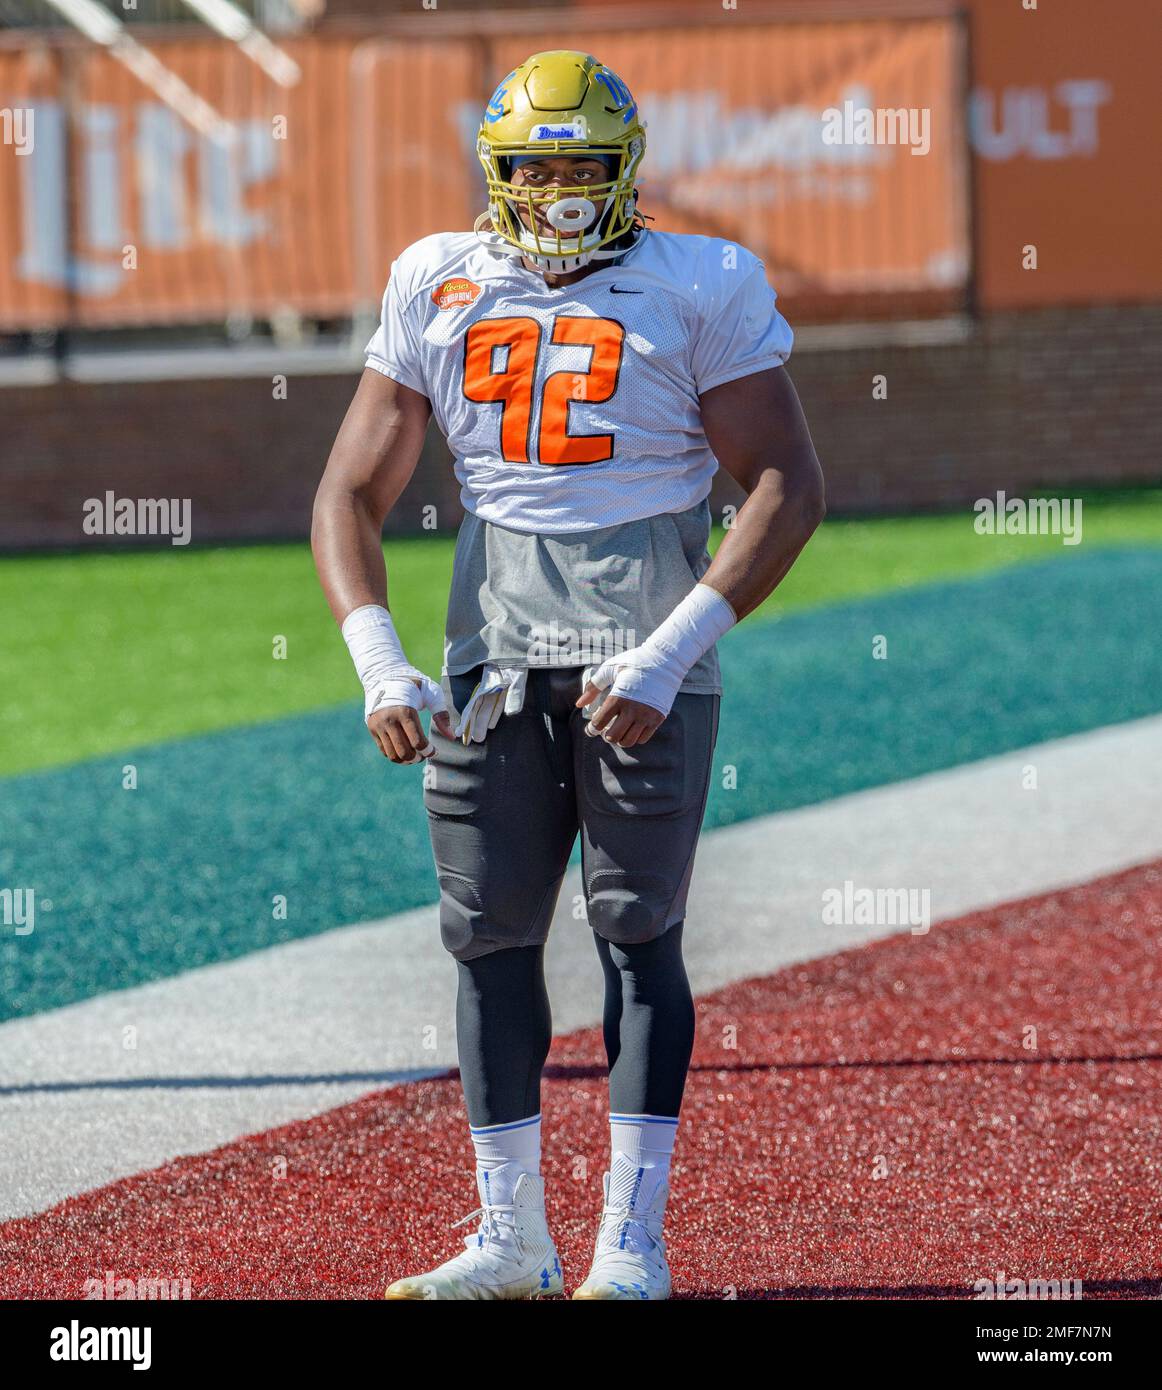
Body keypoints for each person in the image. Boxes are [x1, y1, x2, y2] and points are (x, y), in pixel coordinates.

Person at [312, 49, 825, 1300]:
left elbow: (787, 485)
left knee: (635, 934)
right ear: (494, 173)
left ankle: (630, 1243)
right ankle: (512, 1239)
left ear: (626, 171)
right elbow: (350, 488)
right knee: (487, 937)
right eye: (534, 168)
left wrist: (668, 650)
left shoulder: (697, 279)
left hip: (642, 653)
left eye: (582, 168)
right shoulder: (437, 277)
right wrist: (376, 656)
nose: (556, 191)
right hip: (492, 657)